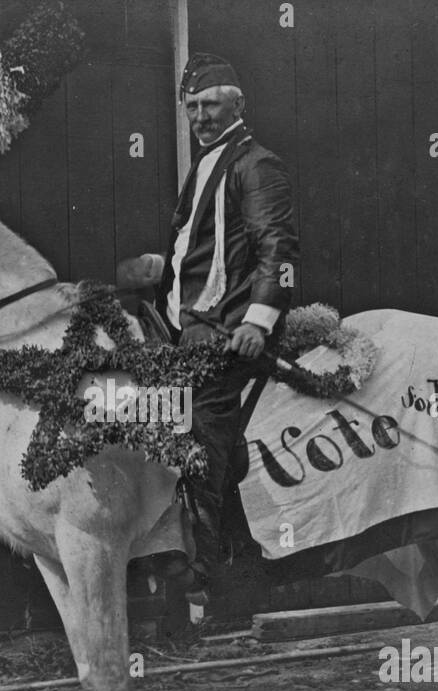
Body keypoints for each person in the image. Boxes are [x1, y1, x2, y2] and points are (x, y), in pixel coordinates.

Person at [135, 53, 300, 583]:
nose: (200, 116)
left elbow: (278, 245)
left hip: (227, 330)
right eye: (192, 107)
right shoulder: (205, 163)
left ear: (238, 104)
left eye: (210, 104)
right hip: (184, 328)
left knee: (200, 422)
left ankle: (213, 565)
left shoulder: (256, 164)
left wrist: (258, 320)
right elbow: (199, 250)